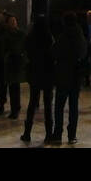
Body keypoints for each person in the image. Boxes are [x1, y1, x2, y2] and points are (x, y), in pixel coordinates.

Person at [51, 13, 87, 145]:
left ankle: (57, 133)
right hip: (76, 76)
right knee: (73, 106)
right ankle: (72, 135)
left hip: (63, 75)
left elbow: (54, 52)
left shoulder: (63, 36)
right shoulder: (79, 36)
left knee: (59, 106)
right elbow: (83, 53)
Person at [22, 14, 55, 143]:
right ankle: (48, 134)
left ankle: (27, 132)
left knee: (32, 103)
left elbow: (27, 52)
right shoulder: (48, 37)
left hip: (35, 72)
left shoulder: (30, 37)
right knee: (48, 105)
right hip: (47, 73)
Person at [2, 13, 27, 120]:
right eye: (11, 21)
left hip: (18, 61)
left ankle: (15, 109)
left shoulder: (21, 34)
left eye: (14, 21)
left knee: (15, 86)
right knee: (12, 86)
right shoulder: (5, 34)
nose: (13, 23)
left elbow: (25, 46)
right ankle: (15, 108)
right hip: (10, 62)